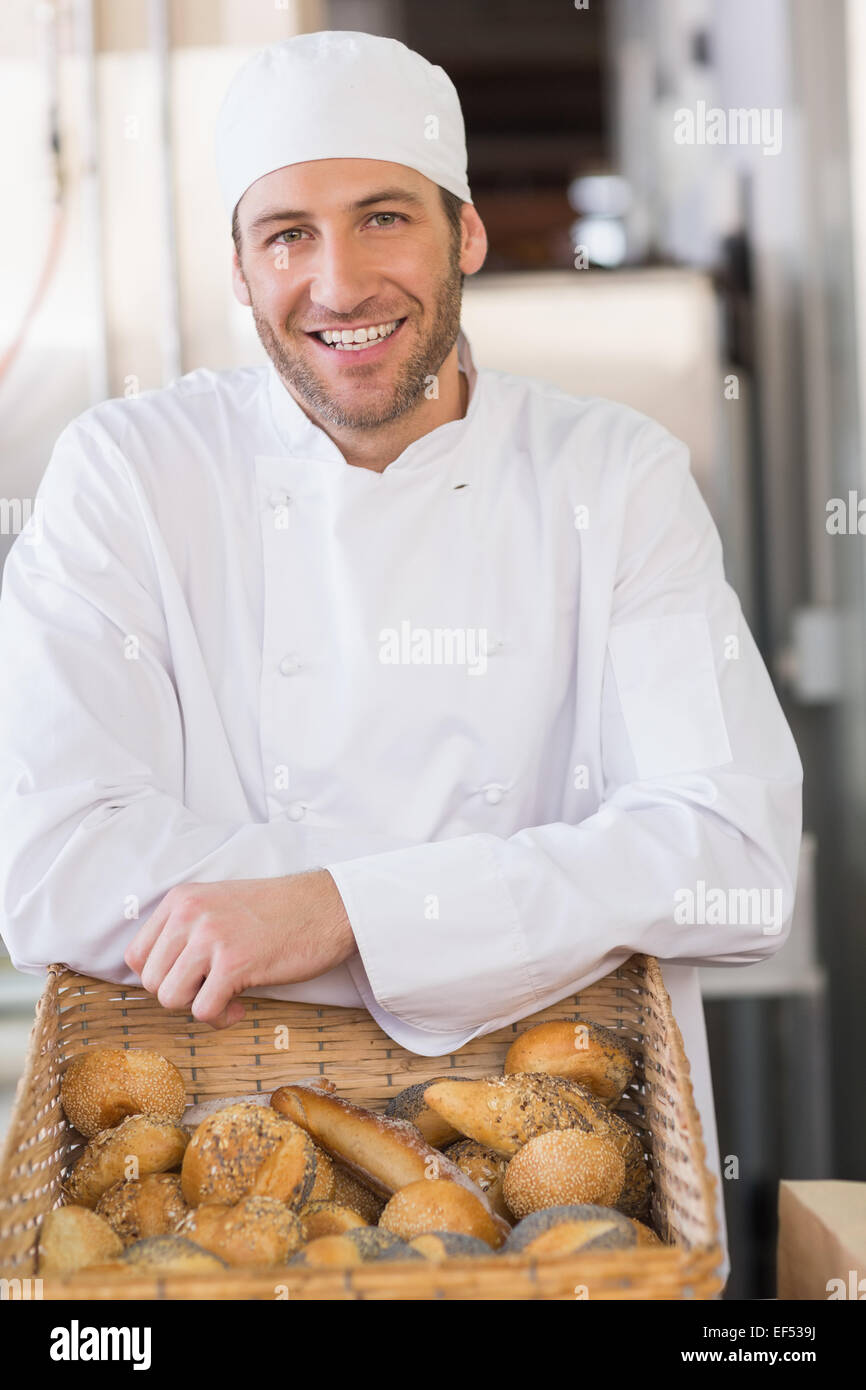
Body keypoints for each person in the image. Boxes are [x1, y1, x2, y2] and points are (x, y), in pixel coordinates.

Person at [0, 31, 802, 1287]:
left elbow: (734, 862)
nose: (338, 283)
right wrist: (536, 905)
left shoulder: (610, 475)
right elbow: (54, 869)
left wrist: (330, 909)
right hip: (223, 1199)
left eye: (383, 218)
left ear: (464, 234)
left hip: (570, 1219)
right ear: (238, 266)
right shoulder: (131, 475)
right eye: (287, 236)